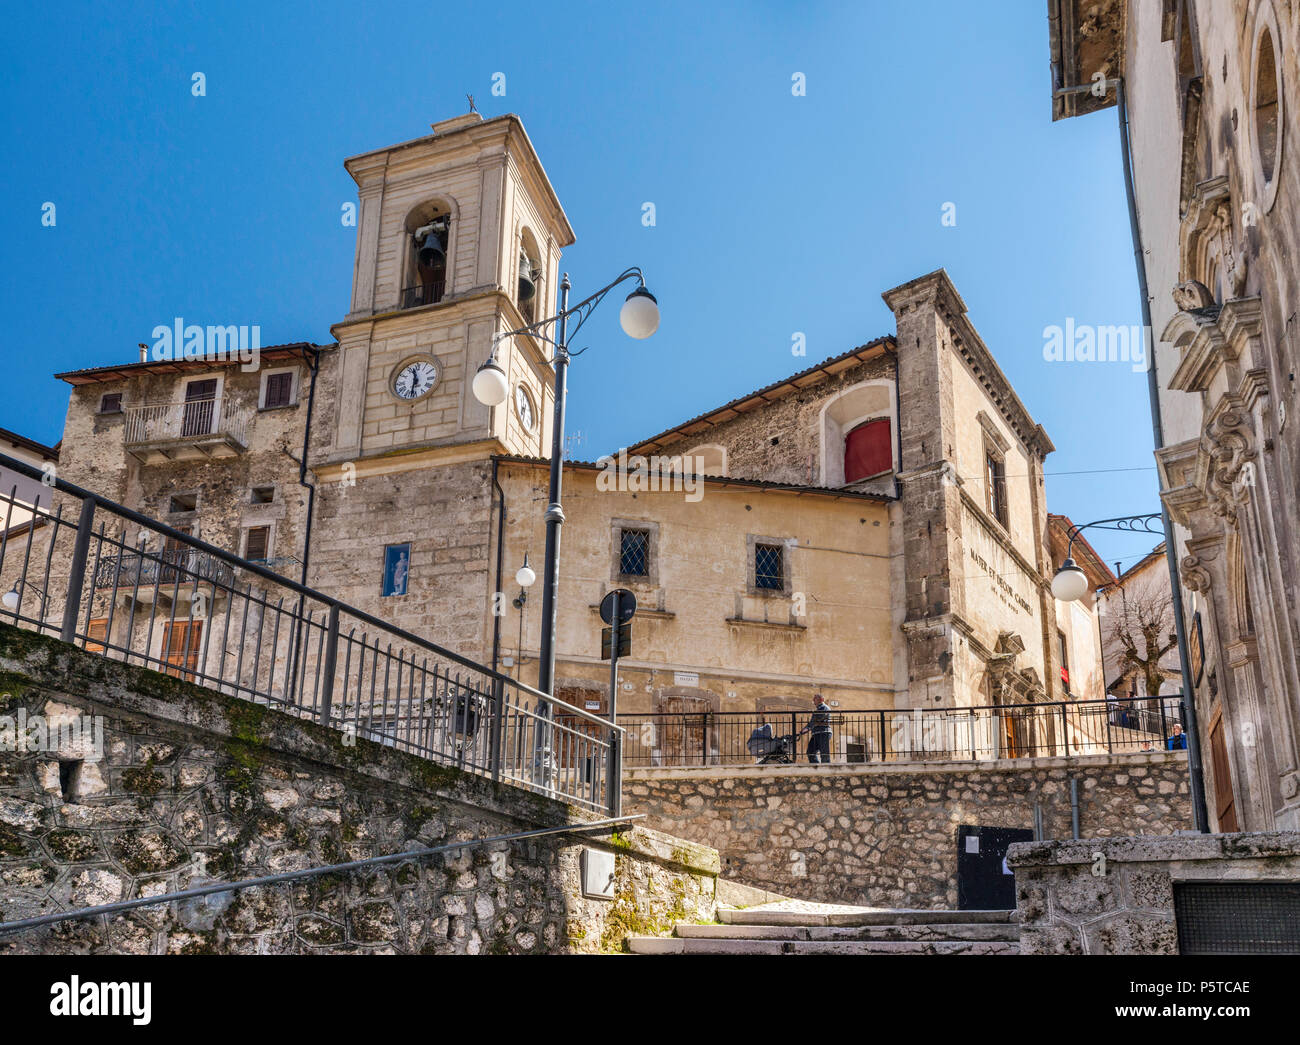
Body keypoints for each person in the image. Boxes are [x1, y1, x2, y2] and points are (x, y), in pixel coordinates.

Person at [800, 695, 833, 764]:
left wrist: (807, 728)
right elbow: (813, 722)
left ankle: (826, 769)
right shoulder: (818, 709)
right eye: (814, 699)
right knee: (810, 752)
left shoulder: (824, 708)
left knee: (824, 753)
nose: (814, 700)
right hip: (816, 733)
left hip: (824, 732)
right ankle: (816, 767)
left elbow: (816, 720)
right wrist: (805, 729)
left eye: (815, 699)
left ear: (822, 699)